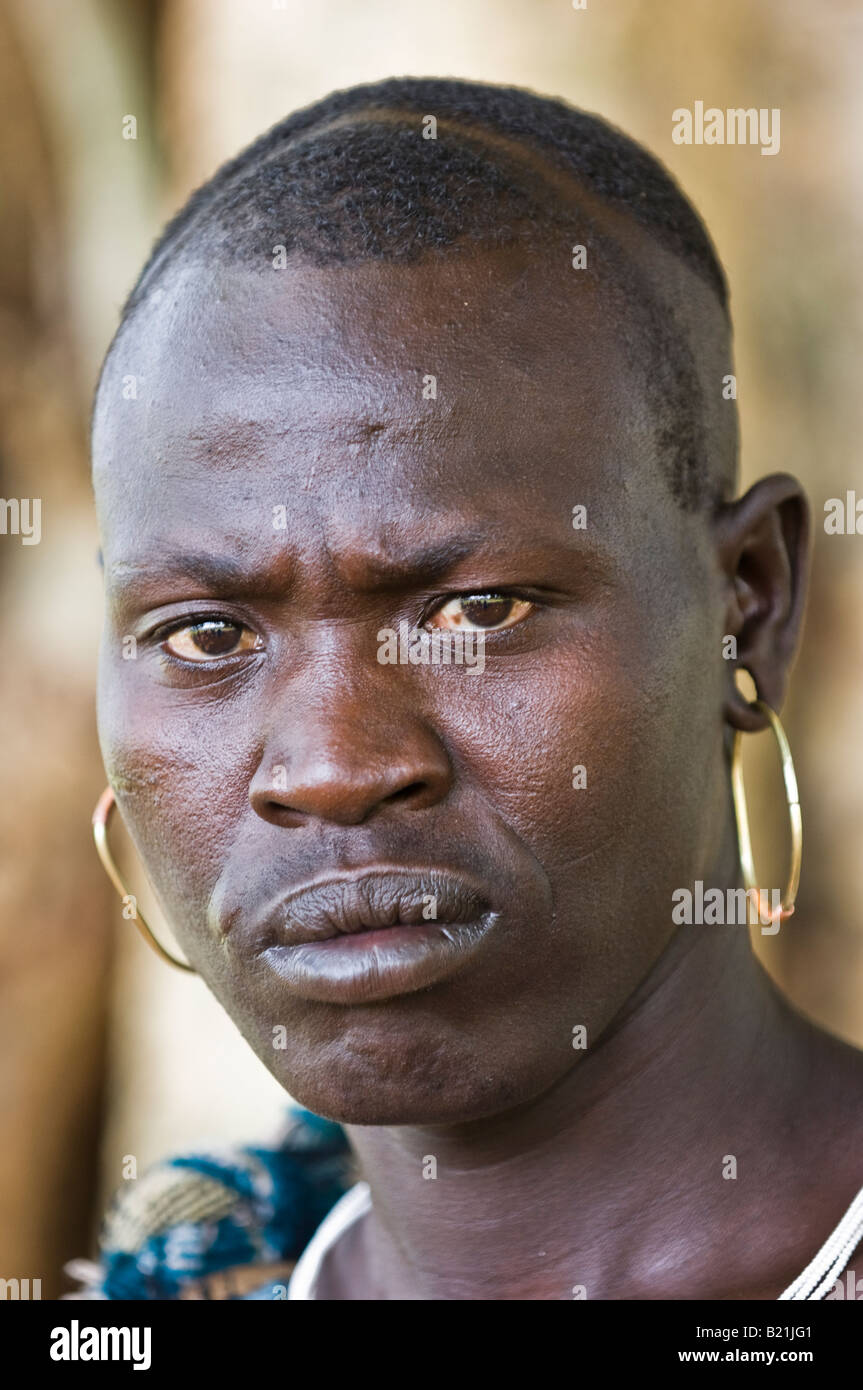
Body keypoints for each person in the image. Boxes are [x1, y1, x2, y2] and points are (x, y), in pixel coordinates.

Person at [76, 75, 863, 1300]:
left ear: (746, 602)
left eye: (474, 610)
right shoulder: (190, 1271)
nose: (329, 767)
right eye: (207, 633)